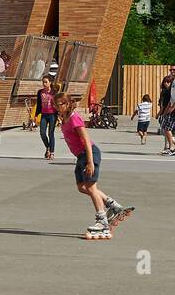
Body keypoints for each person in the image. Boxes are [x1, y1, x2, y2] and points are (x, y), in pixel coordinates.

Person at [56, 92, 132, 239]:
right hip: (81, 156)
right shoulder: (64, 118)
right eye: (56, 104)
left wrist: (90, 162)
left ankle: (102, 222)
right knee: (82, 187)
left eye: (61, 104)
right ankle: (113, 206)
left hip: (88, 154)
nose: (58, 107)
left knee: (91, 187)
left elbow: (86, 140)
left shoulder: (74, 118)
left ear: (68, 104)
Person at [35, 76, 57, 160]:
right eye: (43, 82)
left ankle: (52, 152)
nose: (44, 84)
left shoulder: (54, 92)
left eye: (46, 82)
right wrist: (36, 114)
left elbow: (58, 103)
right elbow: (38, 104)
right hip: (44, 114)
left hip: (52, 115)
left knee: (51, 133)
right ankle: (48, 147)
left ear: (50, 82)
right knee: (42, 133)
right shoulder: (40, 92)